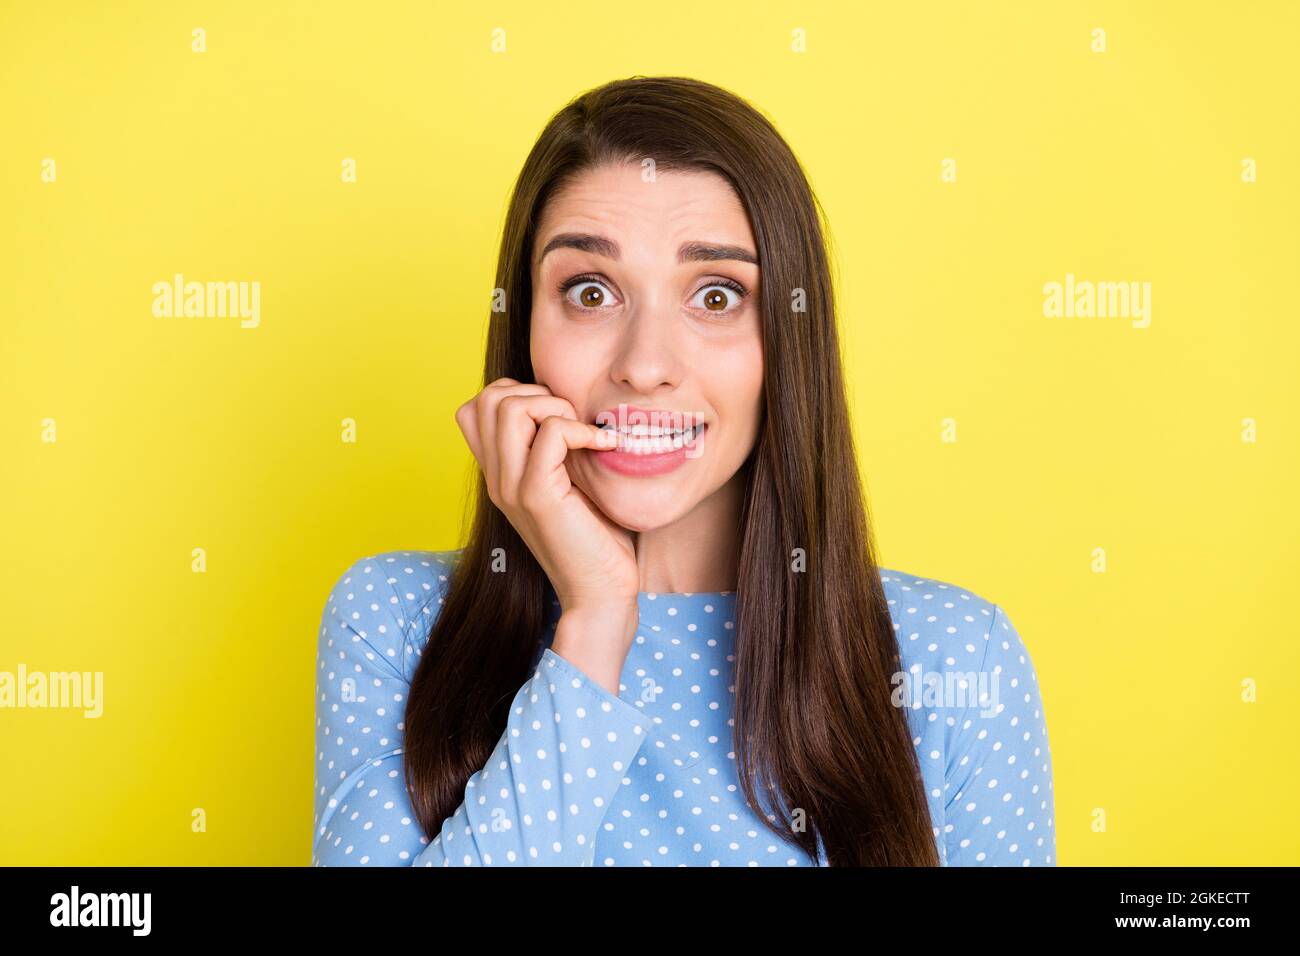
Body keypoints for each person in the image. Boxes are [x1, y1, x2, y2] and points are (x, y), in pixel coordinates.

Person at [312, 75, 1055, 866]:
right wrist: (596, 619)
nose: (645, 365)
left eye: (716, 296)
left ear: (788, 342)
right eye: (591, 291)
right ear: (524, 327)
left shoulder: (954, 660)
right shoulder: (392, 623)